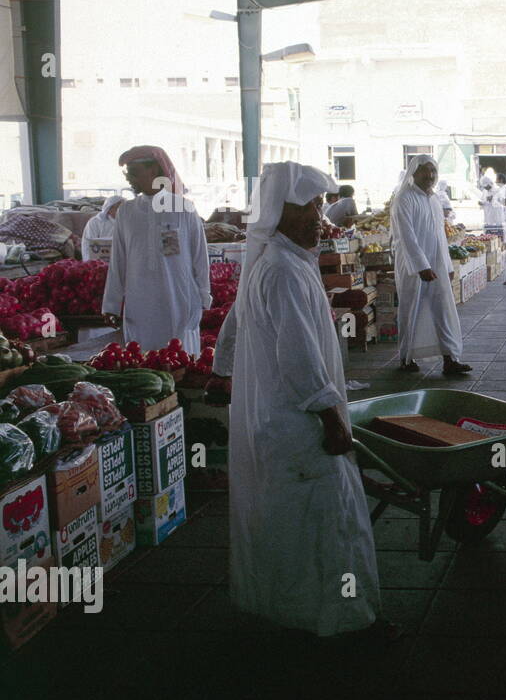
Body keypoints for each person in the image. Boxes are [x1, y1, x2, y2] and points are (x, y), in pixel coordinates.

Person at [211, 162, 383, 638]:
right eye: (304, 205)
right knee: (328, 520)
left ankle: (285, 609)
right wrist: (331, 417)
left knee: (287, 518)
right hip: (300, 419)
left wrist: (223, 370)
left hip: (278, 416)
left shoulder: (278, 261)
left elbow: (236, 321)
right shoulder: (283, 270)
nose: (316, 215)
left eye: (317, 204)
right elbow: (299, 357)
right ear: (276, 212)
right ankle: (345, 620)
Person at [101, 145, 210, 353]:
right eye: (127, 174)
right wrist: (111, 305)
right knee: (143, 362)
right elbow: (118, 262)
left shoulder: (183, 208)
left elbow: (199, 258)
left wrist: (203, 297)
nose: (129, 179)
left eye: (133, 172)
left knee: (180, 359)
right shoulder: (126, 211)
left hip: (178, 301)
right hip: (139, 304)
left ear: (153, 170)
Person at [390, 155, 472, 376]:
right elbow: (406, 237)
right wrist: (421, 266)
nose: (430, 176)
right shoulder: (404, 198)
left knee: (443, 310)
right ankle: (406, 358)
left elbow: (440, 237)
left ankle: (450, 358)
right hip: (413, 267)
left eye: (433, 171)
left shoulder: (434, 200)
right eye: (425, 171)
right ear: (413, 173)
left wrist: (447, 264)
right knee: (412, 310)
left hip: (437, 265)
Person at [81, 195, 123, 261]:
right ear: (109, 209)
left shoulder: (127, 222)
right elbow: (88, 245)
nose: (123, 210)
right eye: (119, 207)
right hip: (98, 261)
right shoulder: (95, 222)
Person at [479, 167, 504, 236]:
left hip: (496, 214)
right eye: (484, 187)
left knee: (497, 232)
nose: (486, 188)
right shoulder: (485, 191)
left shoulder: (497, 190)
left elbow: (501, 202)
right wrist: (482, 203)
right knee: (489, 232)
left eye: (486, 186)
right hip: (488, 214)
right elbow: (483, 200)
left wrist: (492, 199)